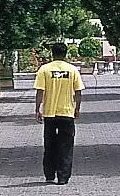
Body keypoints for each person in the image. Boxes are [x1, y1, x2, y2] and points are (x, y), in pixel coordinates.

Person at [34, 43, 84, 185]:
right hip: (67, 113)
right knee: (66, 146)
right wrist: (77, 108)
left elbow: (40, 91)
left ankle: (49, 174)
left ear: (52, 53)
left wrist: (37, 109)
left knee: (49, 145)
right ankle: (63, 177)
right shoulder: (72, 70)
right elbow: (78, 92)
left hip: (49, 113)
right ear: (66, 54)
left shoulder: (44, 69)